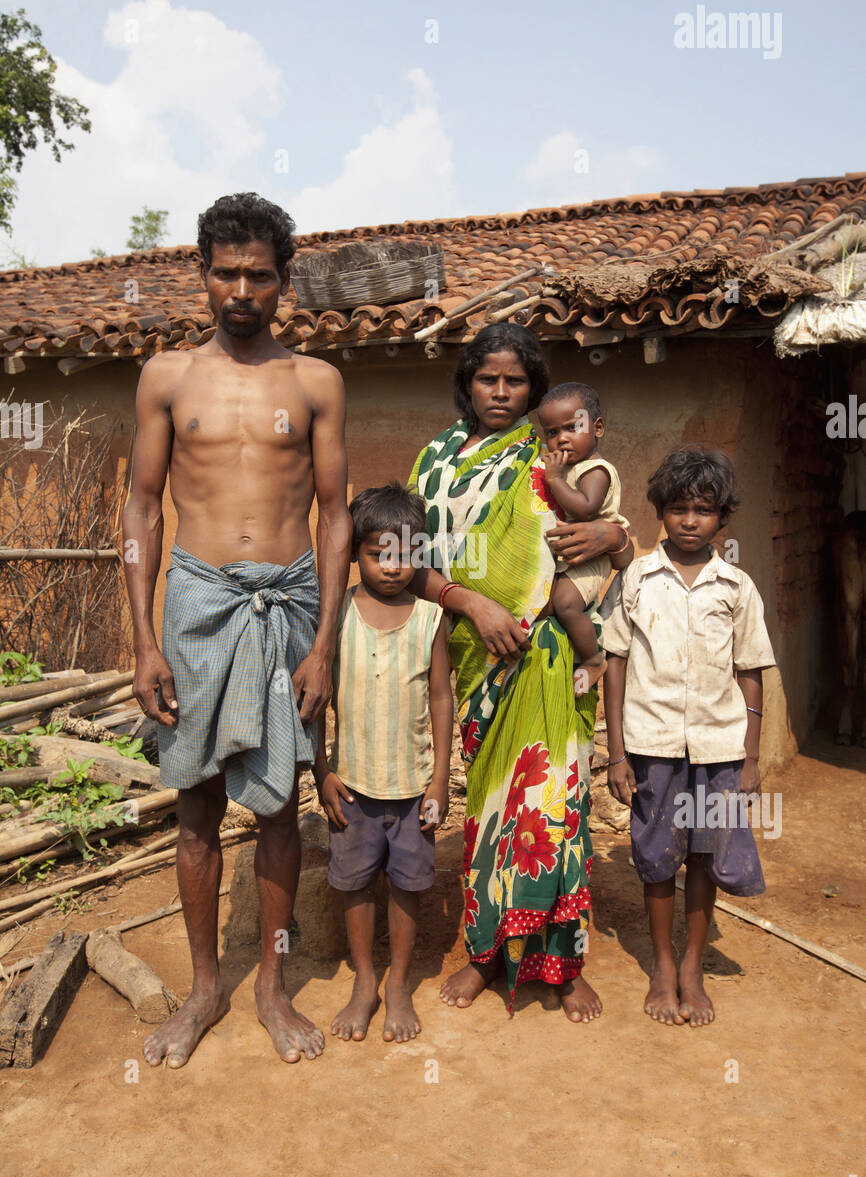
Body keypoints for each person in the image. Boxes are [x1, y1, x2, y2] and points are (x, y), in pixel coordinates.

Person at [122, 191, 355, 1068]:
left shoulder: (317, 383)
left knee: (279, 807)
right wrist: (143, 640)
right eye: (226, 273)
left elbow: (336, 516)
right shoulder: (167, 378)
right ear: (203, 275)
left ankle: (269, 986)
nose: (242, 289)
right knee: (196, 802)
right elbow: (143, 506)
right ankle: (204, 989)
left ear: (285, 280)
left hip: (289, 603)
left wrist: (325, 640)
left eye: (260, 273)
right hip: (197, 604)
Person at [408, 324, 633, 1018]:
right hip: (476, 658)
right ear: (467, 384)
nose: (500, 392)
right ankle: (487, 954)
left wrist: (614, 534)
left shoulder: (551, 454)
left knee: (554, 808)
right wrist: (471, 602)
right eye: (487, 379)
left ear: (534, 390)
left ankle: (561, 964)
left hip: (550, 655)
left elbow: (614, 542)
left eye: (515, 381)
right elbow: (409, 562)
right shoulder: (434, 462)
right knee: (489, 811)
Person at [603, 447, 776, 1028]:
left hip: (719, 747)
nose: (690, 520)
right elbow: (616, 662)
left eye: (703, 510)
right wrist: (619, 754)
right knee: (656, 859)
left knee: (704, 855)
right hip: (651, 745)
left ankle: (693, 969)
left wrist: (750, 756)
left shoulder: (736, 587)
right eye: (679, 509)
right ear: (661, 512)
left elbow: (750, 669)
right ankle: (661, 966)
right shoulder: (637, 580)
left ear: (722, 518)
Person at [314, 483, 452, 1043]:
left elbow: (441, 696)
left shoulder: (429, 617)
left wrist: (440, 778)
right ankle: (364, 981)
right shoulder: (336, 613)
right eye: (378, 553)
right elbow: (315, 696)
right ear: (353, 552)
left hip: (413, 785)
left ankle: (398, 982)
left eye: (404, 553)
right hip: (352, 785)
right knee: (353, 883)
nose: (392, 567)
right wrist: (321, 769)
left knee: (407, 884)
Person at [535, 381, 630, 694]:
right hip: (568, 560)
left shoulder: (596, 470)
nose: (561, 439)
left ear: (597, 427)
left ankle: (592, 659)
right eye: (551, 432)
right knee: (544, 604)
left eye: (573, 427)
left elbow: (586, 509)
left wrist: (554, 479)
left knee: (565, 603)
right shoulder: (569, 469)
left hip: (593, 558)